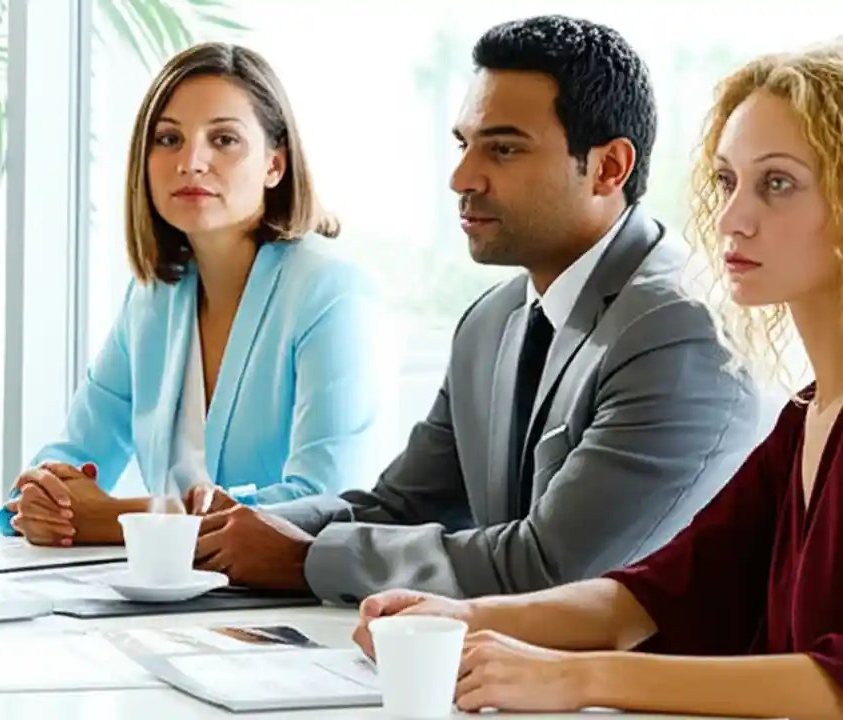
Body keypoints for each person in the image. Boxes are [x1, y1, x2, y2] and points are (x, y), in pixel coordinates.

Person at [190, 15, 762, 599]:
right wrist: (230, 531)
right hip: (507, 673)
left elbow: (554, 566)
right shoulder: (492, 320)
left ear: (609, 168)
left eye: (504, 149)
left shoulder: (681, 329)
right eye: (465, 144)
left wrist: (304, 559)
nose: (462, 177)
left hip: (637, 686)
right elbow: (399, 505)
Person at [351, 42, 843, 716]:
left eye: (777, 183)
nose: (731, 218)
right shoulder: (808, 416)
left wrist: (577, 678)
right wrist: (459, 617)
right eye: (727, 181)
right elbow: (652, 594)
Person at [0, 42, 389, 546]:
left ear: (275, 164)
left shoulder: (332, 292)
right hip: (170, 602)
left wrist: (116, 519)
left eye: (224, 139)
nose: (192, 161)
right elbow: (65, 463)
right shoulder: (153, 298)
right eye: (168, 139)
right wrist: (42, 500)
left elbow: (324, 503)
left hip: (291, 609)